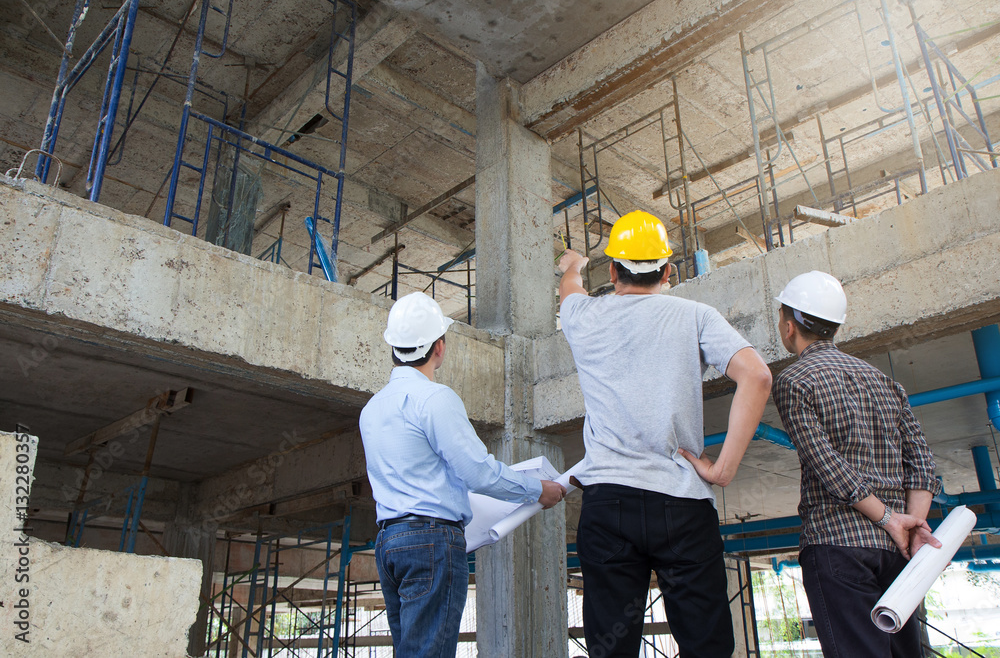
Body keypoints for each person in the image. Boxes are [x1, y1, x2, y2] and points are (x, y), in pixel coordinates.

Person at [557, 210, 773, 658]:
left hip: (608, 504)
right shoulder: (695, 315)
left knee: (610, 648)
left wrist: (574, 266)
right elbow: (756, 376)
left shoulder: (584, 316)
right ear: (668, 271)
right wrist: (723, 469)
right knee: (706, 645)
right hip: (682, 505)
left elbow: (570, 292)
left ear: (613, 270)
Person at [359, 291, 566, 658]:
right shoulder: (436, 399)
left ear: (392, 347)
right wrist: (537, 491)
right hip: (431, 542)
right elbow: (478, 473)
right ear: (439, 347)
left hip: (389, 543)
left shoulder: (371, 410)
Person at [771, 270, 943, 658]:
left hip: (837, 545)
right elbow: (921, 463)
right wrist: (910, 524)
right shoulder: (884, 382)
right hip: (898, 552)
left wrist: (888, 519)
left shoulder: (794, 380)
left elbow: (827, 466)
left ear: (787, 325)